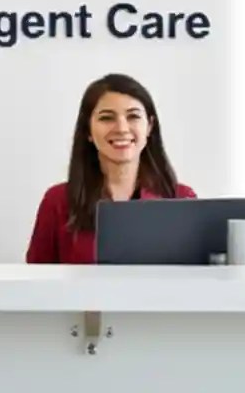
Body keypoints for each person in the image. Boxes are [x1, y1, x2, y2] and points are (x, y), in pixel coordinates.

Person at [25, 73, 197, 264]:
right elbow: (36, 283)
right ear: (88, 131)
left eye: (133, 116)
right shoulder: (57, 201)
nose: (122, 128)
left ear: (149, 126)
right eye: (107, 118)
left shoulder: (183, 199)